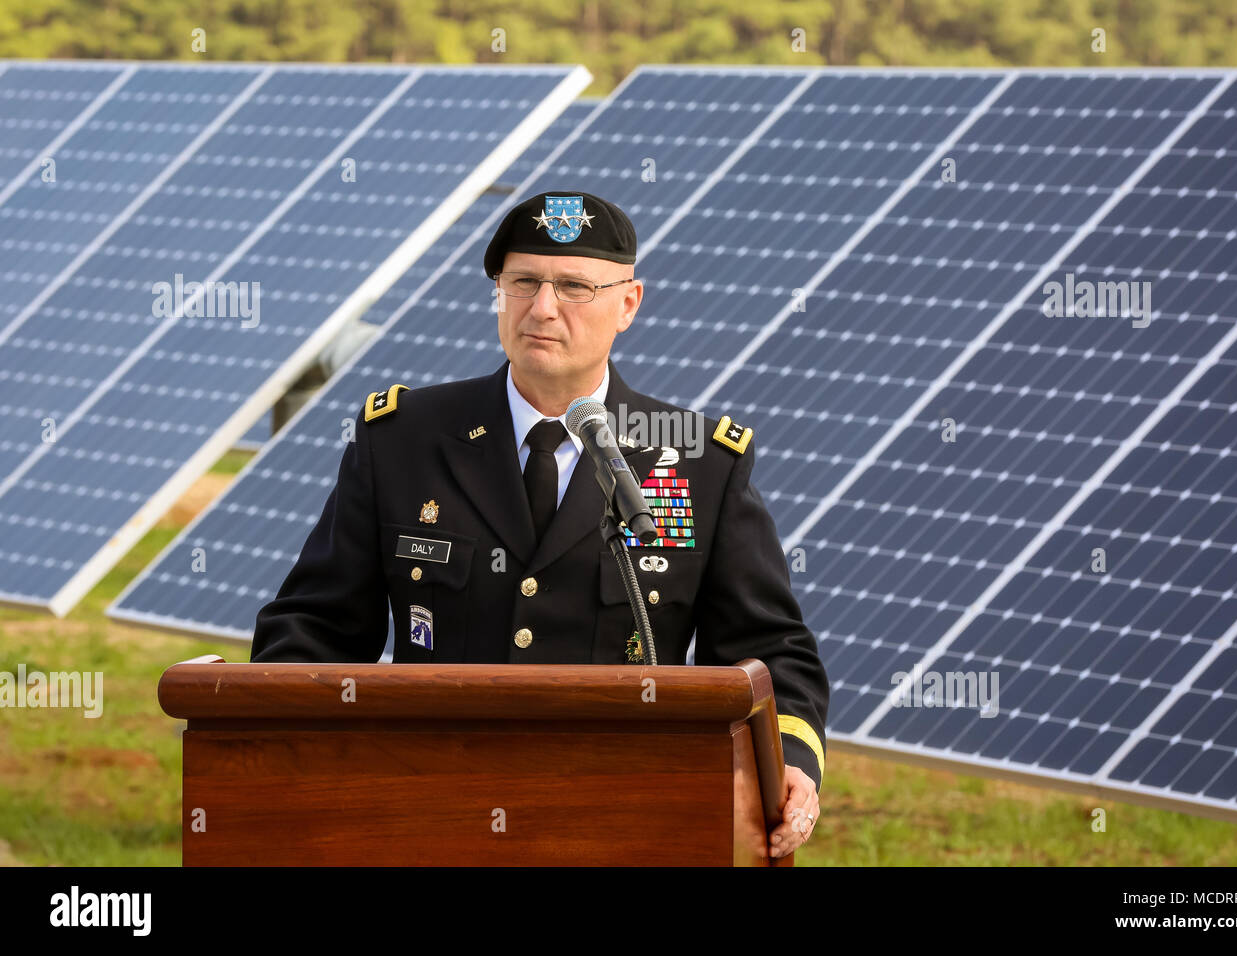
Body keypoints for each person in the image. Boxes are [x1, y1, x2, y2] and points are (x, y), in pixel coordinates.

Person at [251, 190, 829, 859]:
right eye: (522, 282)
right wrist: (286, 751)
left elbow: (771, 647)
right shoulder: (406, 438)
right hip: (432, 814)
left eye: (575, 287)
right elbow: (314, 627)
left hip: (623, 818)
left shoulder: (697, 460)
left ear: (629, 303)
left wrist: (787, 762)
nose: (542, 308)